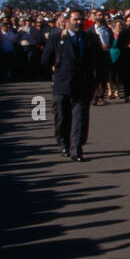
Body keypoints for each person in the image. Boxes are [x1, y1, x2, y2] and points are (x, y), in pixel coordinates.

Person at [42, 9, 97, 161]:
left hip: (83, 84)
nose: (79, 23)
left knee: (80, 119)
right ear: (67, 21)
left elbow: (99, 61)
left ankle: (76, 149)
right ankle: (63, 144)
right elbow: (45, 60)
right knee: (62, 118)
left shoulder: (90, 38)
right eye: (75, 20)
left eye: (81, 20)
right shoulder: (55, 38)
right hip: (62, 85)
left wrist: (99, 82)